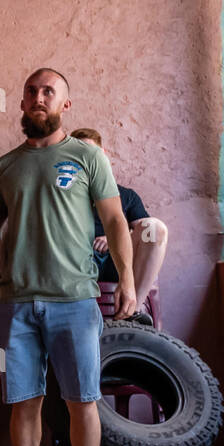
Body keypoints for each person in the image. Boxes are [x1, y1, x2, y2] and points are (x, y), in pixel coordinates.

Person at [0, 67, 136, 446]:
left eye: (49, 91)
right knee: (23, 402)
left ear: (66, 104)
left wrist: (126, 282)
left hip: (76, 300)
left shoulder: (87, 157)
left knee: (83, 400)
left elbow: (116, 223)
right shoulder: (4, 166)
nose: (38, 96)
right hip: (16, 302)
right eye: (31, 91)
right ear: (22, 103)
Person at [70, 128, 167, 324]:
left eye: (92, 154)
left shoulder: (126, 195)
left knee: (154, 228)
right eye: (80, 156)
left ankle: (133, 312)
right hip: (79, 266)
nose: (86, 161)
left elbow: (146, 234)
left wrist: (115, 238)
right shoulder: (66, 196)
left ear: (103, 156)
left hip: (121, 263)